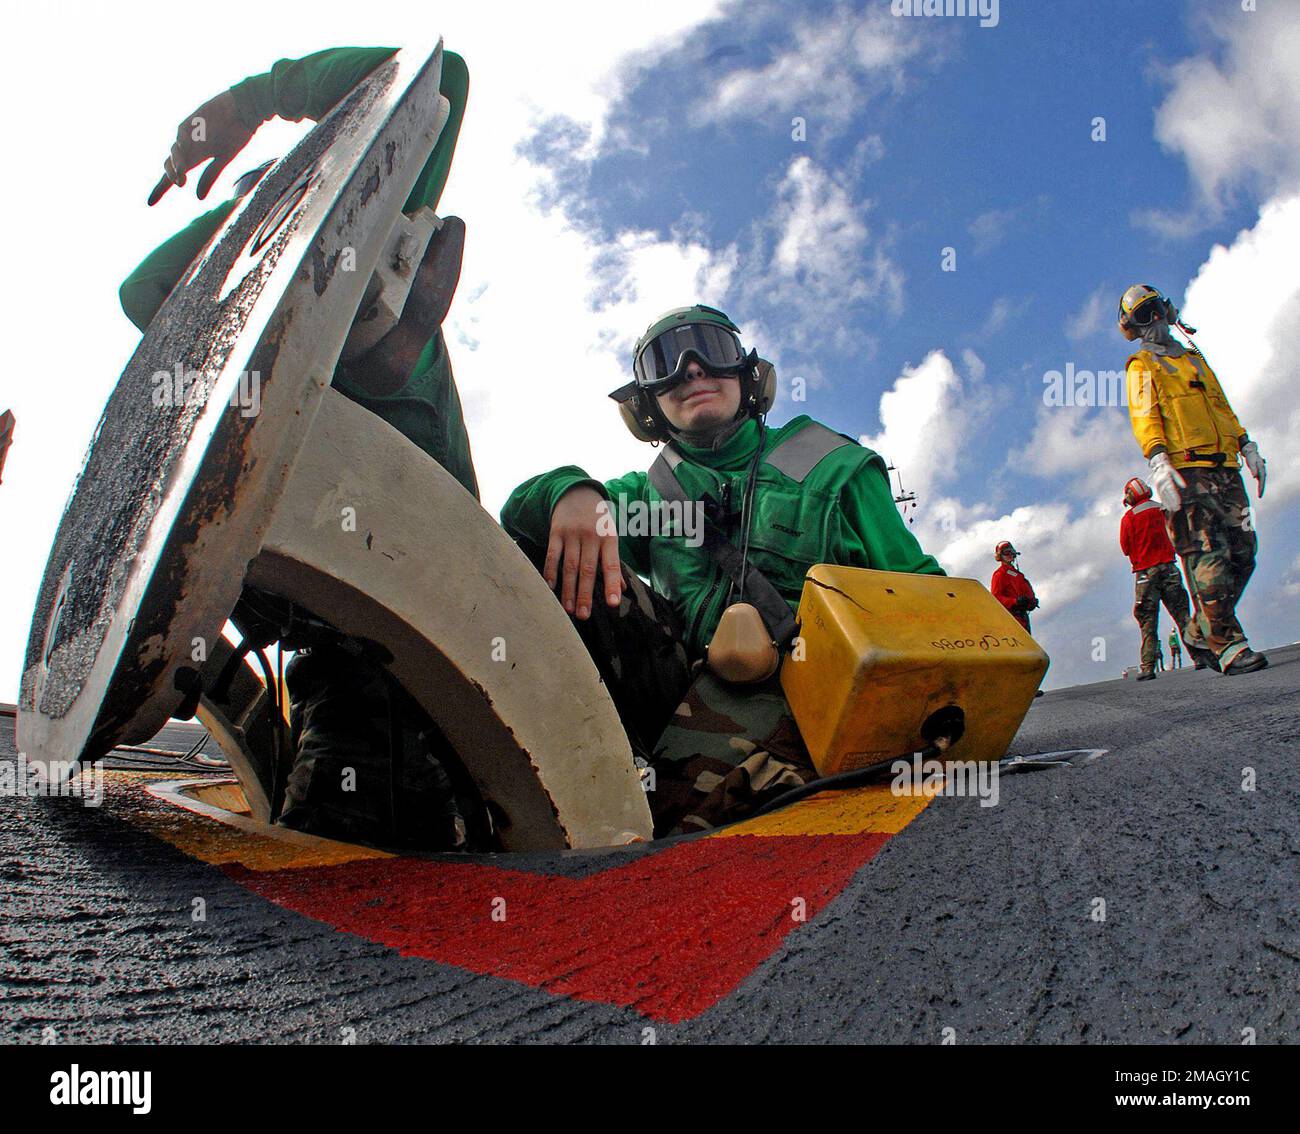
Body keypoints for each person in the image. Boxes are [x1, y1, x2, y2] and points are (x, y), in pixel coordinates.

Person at [129, 45, 486, 849]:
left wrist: (252, 100)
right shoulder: (237, 353)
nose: (282, 232)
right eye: (264, 222)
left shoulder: (373, 254)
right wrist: (235, 228)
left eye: (301, 204)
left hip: (426, 648)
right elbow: (144, 294)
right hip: (321, 652)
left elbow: (443, 82)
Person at [501, 305, 944, 834]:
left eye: (709, 349)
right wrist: (570, 491)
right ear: (647, 404)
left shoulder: (834, 469)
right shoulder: (649, 496)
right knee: (552, 554)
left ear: (747, 374)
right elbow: (521, 520)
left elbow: (921, 592)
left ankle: (767, 770)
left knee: (674, 827)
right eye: (664, 361)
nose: (690, 369)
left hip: (806, 689)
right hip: (684, 680)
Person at [1119, 284, 1267, 675]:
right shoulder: (1142, 366)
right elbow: (1144, 414)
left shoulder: (1194, 361)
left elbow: (1222, 406)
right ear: (1133, 325)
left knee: (1243, 551)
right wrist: (1157, 459)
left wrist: (1246, 443)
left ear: (1167, 310)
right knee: (1206, 558)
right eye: (1142, 315)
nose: (1153, 320)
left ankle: (1200, 629)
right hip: (1186, 472)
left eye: (1155, 310)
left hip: (1225, 467)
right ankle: (1229, 645)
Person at [1119, 477, 1194, 680]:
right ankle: (1201, 656)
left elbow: (1125, 548)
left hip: (1145, 575)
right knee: (1182, 615)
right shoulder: (1163, 509)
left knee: (1147, 623)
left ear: (1131, 495)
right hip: (1170, 568)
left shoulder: (1128, 518)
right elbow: (1179, 533)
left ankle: (1148, 667)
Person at [990, 541, 1038, 633]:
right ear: (1000, 555)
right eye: (1006, 552)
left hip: (1023, 618)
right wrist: (1015, 601)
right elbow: (996, 598)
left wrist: (1032, 601)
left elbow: (1025, 591)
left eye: (1011, 552)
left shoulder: (1017, 575)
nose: (1009, 555)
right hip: (1012, 618)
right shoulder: (999, 574)